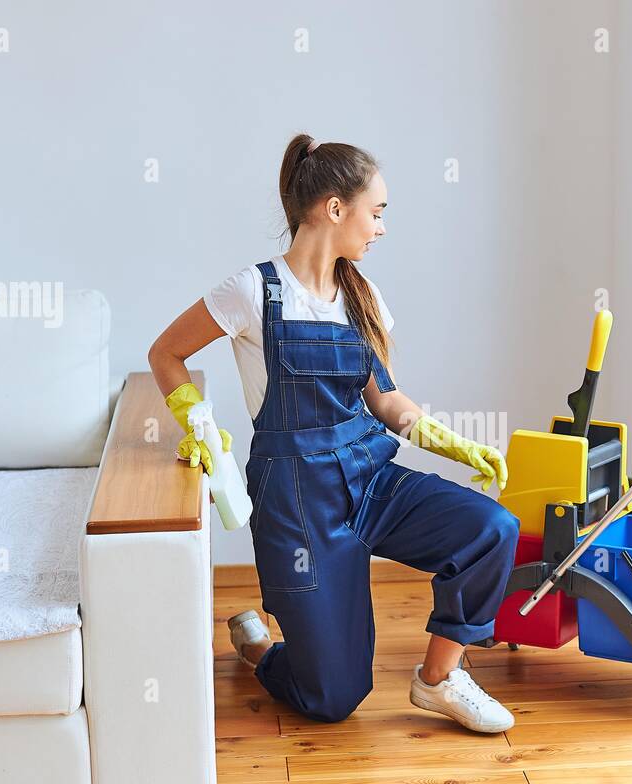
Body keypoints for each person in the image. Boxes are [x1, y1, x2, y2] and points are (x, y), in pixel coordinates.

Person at [148, 133, 522, 733]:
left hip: (370, 476)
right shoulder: (254, 290)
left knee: (491, 529)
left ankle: (439, 679)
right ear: (334, 207)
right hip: (297, 501)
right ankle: (260, 652)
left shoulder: (361, 294)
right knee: (333, 698)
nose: (380, 227)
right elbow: (166, 352)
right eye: (376, 212)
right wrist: (197, 422)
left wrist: (453, 441)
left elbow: (383, 400)